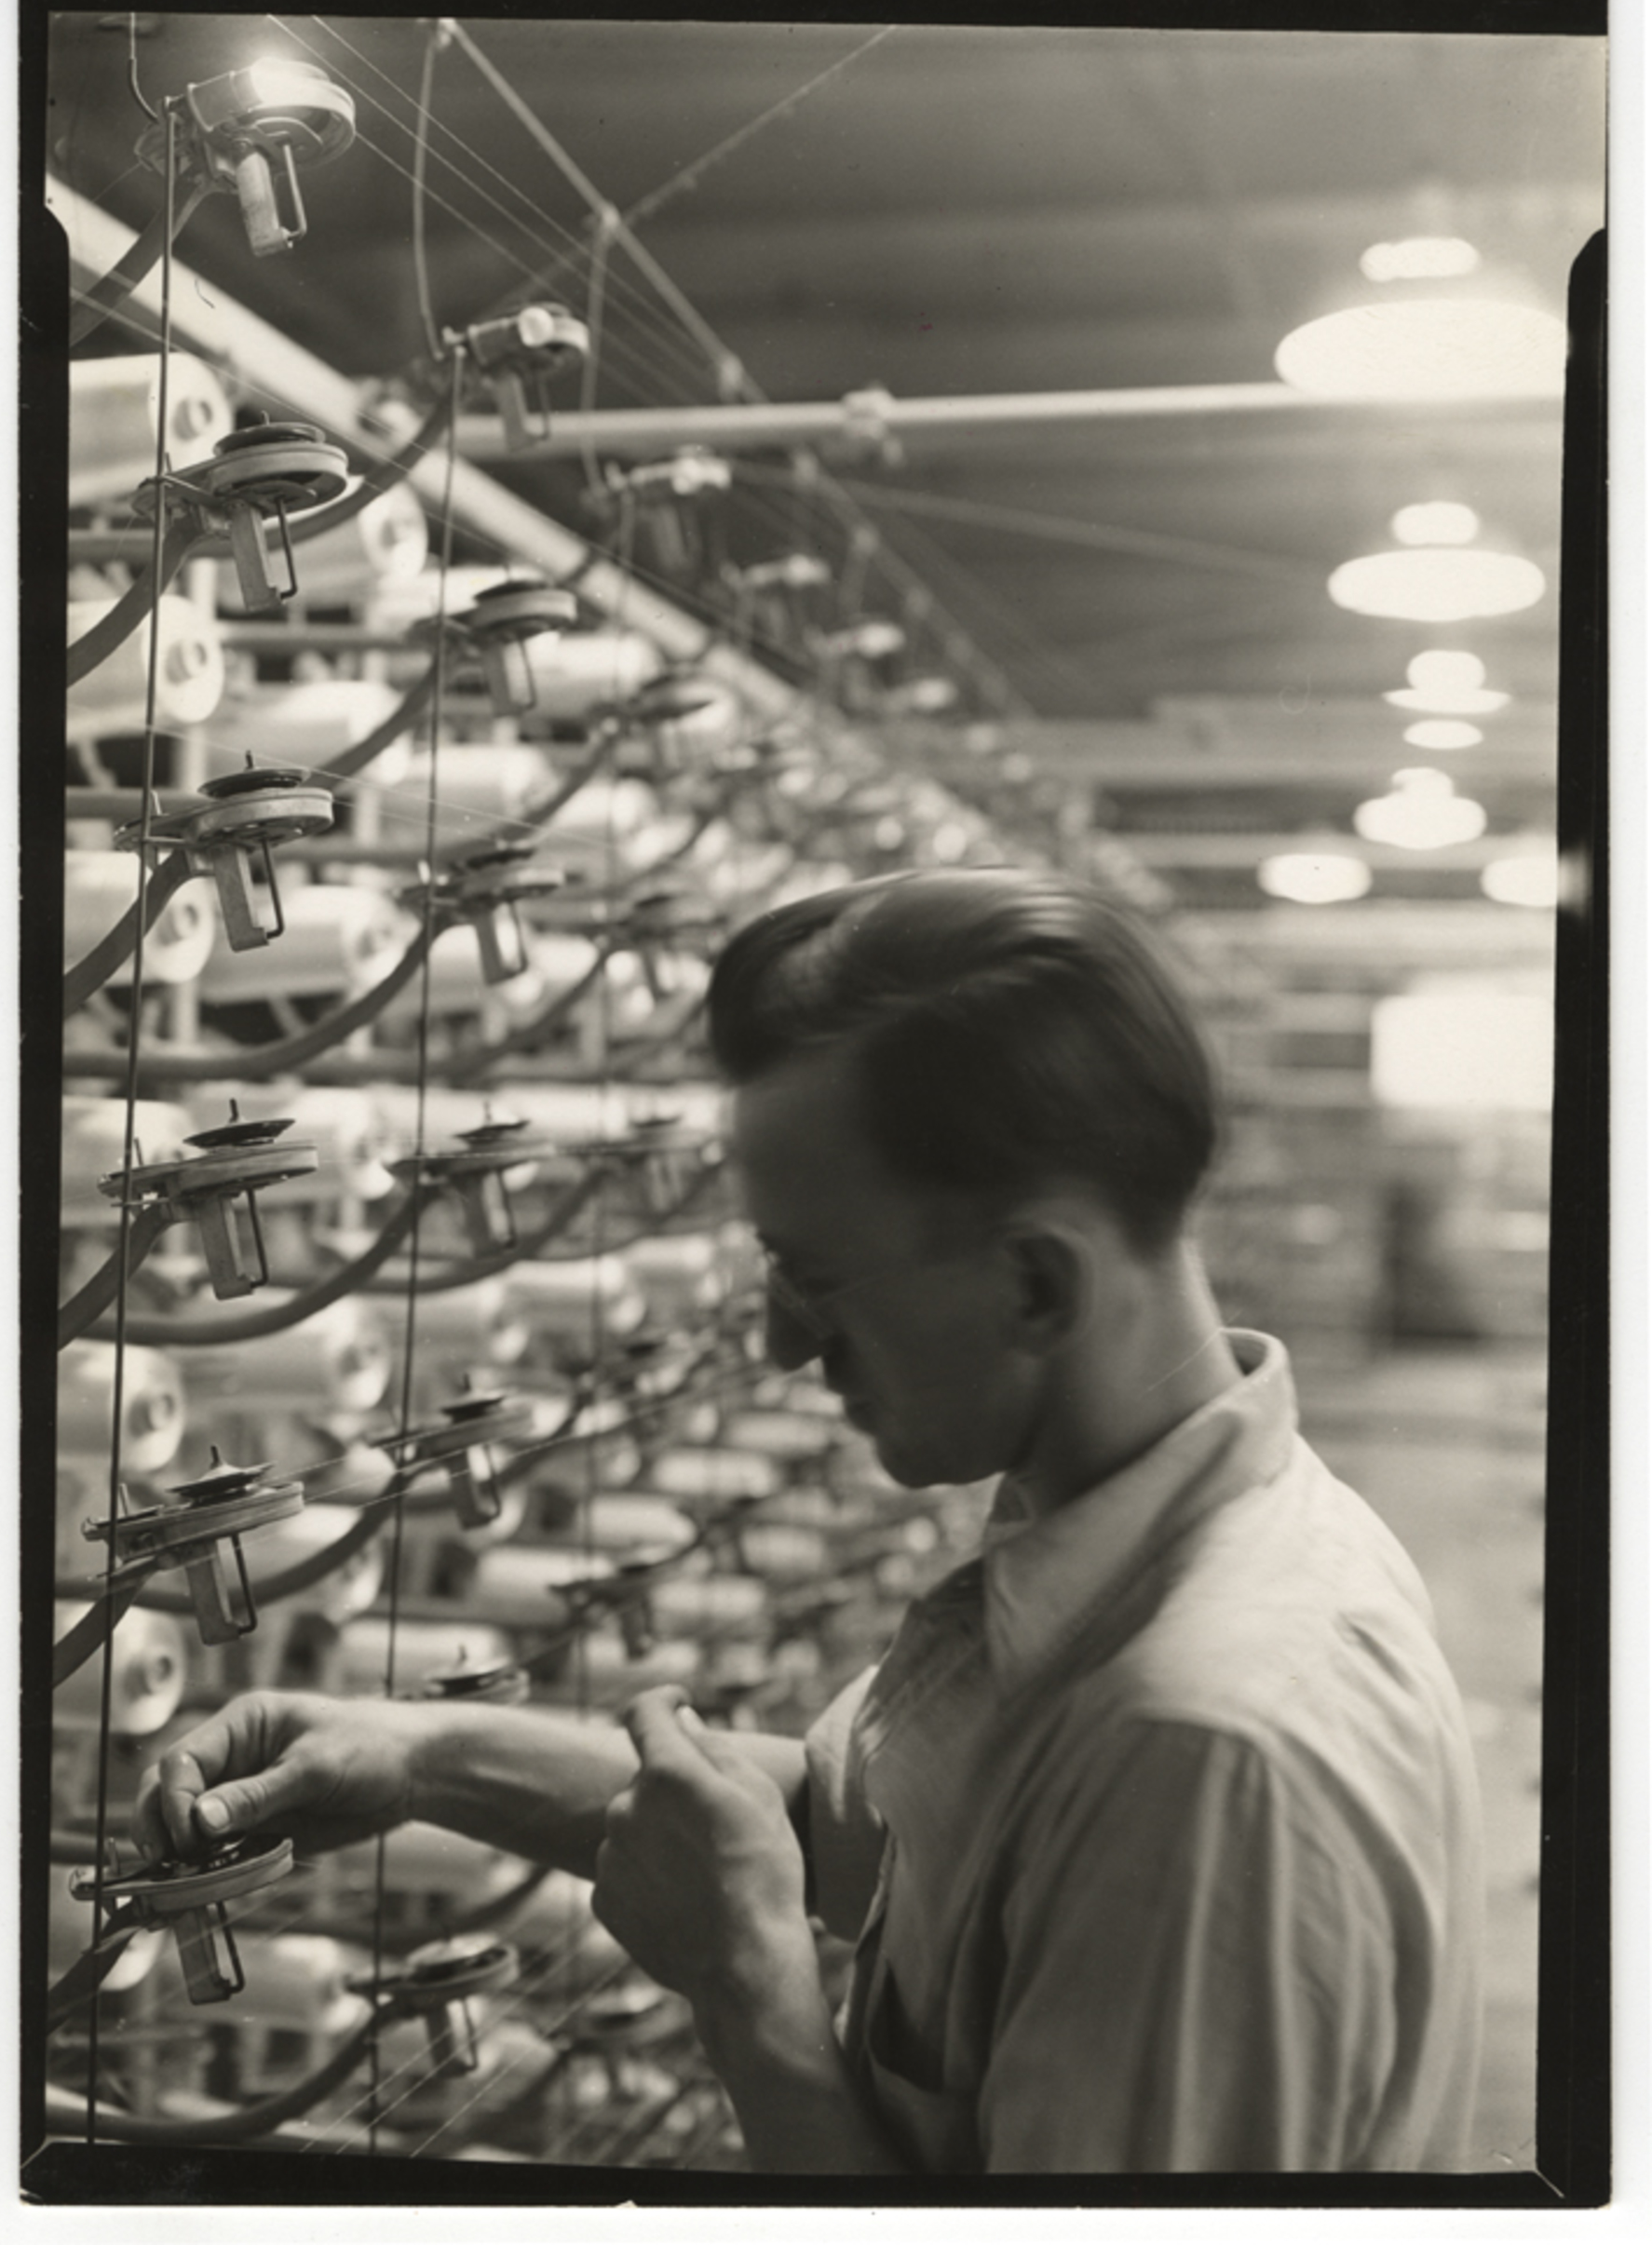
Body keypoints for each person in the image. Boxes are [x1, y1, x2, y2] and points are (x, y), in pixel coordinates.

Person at [134, 867, 1484, 2173]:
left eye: (816, 1278)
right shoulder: (1163, 1545)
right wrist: (417, 1757)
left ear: (1033, 1283)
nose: (783, 1347)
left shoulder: (1196, 1764)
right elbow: (861, 1833)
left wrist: (747, 1990)